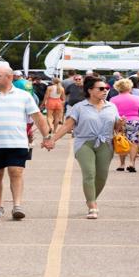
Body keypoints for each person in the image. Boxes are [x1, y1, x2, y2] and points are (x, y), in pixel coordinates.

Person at [42, 75, 120, 219]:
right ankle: (92, 205)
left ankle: (91, 197)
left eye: (107, 88)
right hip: (84, 143)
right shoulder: (79, 107)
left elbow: (117, 127)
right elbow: (67, 126)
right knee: (89, 173)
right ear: (90, 90)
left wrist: (122, 124)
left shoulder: (112, 106)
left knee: (102, 176)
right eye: (101, 88)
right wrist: (52, 140)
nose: (105, 91)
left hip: (106, 143)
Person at [0, 63, 49, 221]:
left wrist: (47, 137)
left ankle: (17, 205)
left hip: (17, 142)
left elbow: (38, 117)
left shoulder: (24, 96)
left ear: (9, 77)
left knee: (15, 172)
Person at [109, 78, 139, 173]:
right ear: (129, 87)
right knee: (134, 142)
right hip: (134, 121)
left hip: (119, 122)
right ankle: (132, 163)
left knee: (121, 141)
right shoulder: (137, 98)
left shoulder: (113, 99)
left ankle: (122, 164)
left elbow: (110, 113)